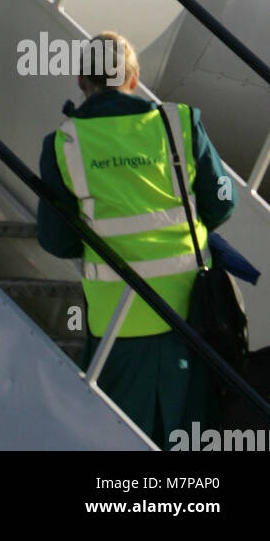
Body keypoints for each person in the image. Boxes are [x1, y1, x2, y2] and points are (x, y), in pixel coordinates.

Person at [36, 31, 237, 448]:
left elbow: (55, 240)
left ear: (81, 80)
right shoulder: (180, 124)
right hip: (193, 321)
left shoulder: (64, 144)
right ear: (133, 77)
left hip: (117, 329)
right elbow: (222, 203)